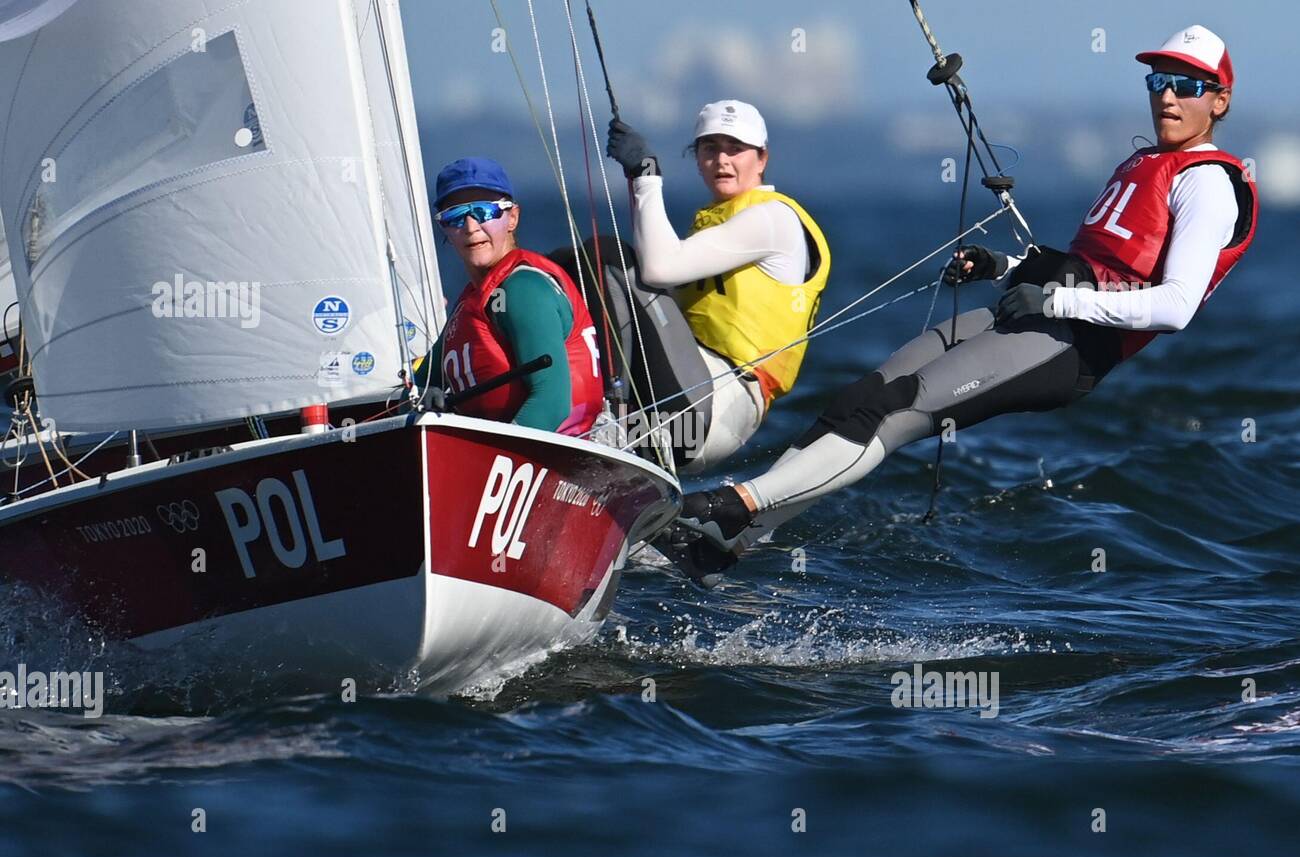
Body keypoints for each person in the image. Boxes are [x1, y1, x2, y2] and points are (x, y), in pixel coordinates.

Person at [676, 25, 1258, 577]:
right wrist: (1001, 267)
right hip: (1035, 312)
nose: (1168, 97)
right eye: (1158, 81)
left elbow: (1177, 307)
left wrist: (1057, 305)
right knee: (861, 397)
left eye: (1187, 85)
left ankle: (734, 504)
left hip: (1071, 346)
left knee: (898, 411)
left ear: (1220, 102)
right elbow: (1089, 263)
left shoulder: (1207, 182)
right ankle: (728, 546)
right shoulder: (1147, 164)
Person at [601, 100, 831, 472]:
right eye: (710, 149)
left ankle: (600, 423)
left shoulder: (774, 217)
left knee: (608, 257)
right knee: (581, 264)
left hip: (707, 417)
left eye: (735, 149)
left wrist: (646, 174)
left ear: (762, 159)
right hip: (676, 408)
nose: (722, 160)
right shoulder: (715, 224)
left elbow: (659, 268)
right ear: (697, 157)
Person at [416, 157, 604, 436]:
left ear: (512, 217)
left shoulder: (522, 290)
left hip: (567, 454)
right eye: (455, 216)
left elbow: (552, 403)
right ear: (444, 227)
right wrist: (425, 394)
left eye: (484, 212)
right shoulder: (471, 304)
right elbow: (419, 382)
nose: (470, 227)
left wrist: (481, 460)